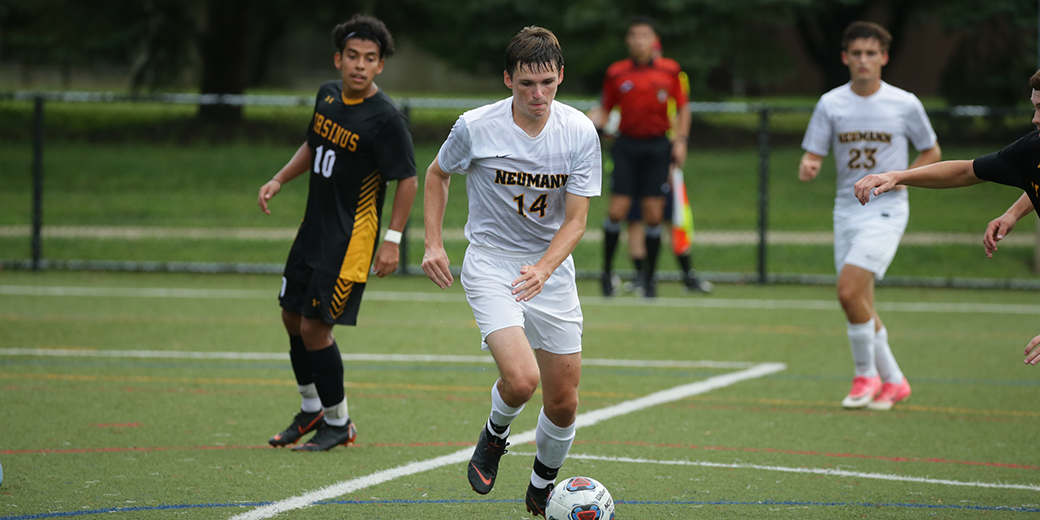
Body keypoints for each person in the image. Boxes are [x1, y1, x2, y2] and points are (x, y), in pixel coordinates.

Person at [421, 26, 601, 517]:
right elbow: (437, 176)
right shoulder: (475, 126)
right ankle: (495, 434)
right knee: (521, 380)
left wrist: (544, 268)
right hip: (492, 265)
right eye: (526, 84)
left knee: (563, 403)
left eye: (546, 82)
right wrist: (433, 242)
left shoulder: (580, 131)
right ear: (507, 80)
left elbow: (578, 219)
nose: (537, 94)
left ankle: (543, 485)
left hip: (550, 270)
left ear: (560, 76)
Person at [255, 15, 417, 451]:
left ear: (380, 65)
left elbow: (407, 179)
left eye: (370, 58)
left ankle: (339, 422)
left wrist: (393, 241)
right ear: (338, 59)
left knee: (314, 329)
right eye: (352, 56)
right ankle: (311, 409)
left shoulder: (386, 120)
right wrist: (279, 178)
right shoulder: (327, 95)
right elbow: (314, 143)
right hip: (312, 231)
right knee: (291, 316)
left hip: (351, 241)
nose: (360, 66)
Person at [798, 21, 941, 411]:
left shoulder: (904, 102)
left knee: (847, 292)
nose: (864, 60)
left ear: (884, 58)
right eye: (856, 54)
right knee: (860, 299)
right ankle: (895, 380)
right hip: (846, 210)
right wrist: (809, 165)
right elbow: (813, 153)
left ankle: (865, 375)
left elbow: (932, 151)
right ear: (845, 58)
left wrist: (903, 179)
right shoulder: (831, 103)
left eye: (871, 53)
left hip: (887, 210)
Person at [853, 68, 1040, 367]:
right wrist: (896, 176)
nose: (1035, 119)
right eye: (1034, 107)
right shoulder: (1033, 148)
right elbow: (966, 170)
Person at [591, 16, 691, 298]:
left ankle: (649, 280)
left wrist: (681, 141)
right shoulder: (616, 73)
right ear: (628, 40)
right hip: (626, 147)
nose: (639, 41)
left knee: (654, 214)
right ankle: (606, 274)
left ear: (653, 39)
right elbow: (604, 109)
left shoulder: (670, 71)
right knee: (617, 211)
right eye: (634, 35)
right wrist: (591, 130)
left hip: (658, 147)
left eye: (644, 35)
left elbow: (683, 108)